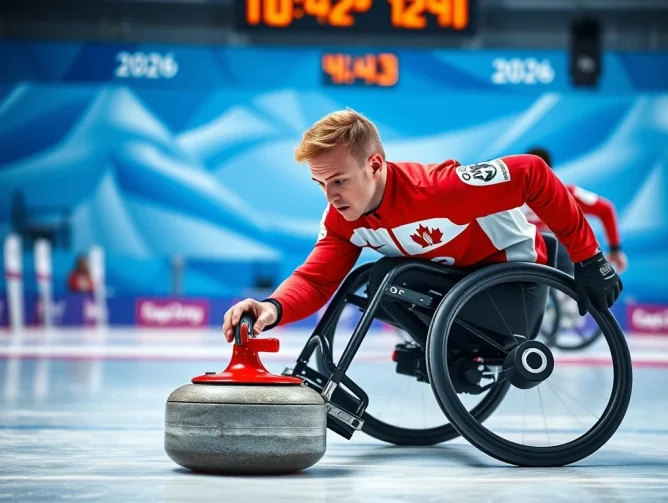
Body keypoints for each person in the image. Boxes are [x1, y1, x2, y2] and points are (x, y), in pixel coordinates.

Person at [222, 109, 622, 359]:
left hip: (513, 288)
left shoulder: (440, 189)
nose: (330, 196)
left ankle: (452, 351)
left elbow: (533, 173)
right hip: (461, 284)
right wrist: (270, 308)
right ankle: (449, 354)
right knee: (375, 281)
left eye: (339, 181)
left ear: (375, 164)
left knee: (385, 278)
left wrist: (590, 259)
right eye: (320, 184)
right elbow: (315, 279)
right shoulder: (343, 217)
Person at [524, 147, 628, 275]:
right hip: (529, 267)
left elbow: (606, 209)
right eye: (532, 171)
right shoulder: (510, 199)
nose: (535, 179)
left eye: (539, 171)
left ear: (549, 172)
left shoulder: (567, 194)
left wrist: (615, 249)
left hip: (563, 271)